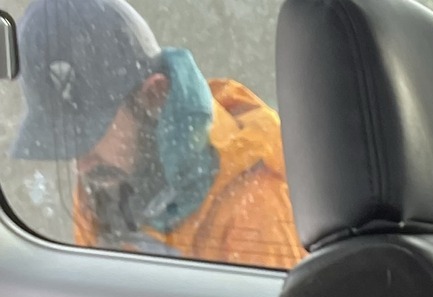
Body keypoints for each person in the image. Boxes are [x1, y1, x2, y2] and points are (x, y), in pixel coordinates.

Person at [12, 0, 303, 269]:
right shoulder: (105, 183)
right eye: (68, 142)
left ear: (154, 96)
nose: (81, 163)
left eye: (91, 134)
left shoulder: (257, 209)